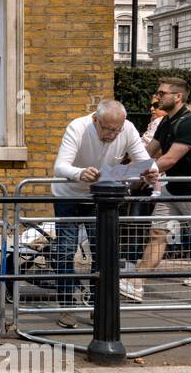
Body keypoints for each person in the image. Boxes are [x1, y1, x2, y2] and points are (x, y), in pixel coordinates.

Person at [126, 77, 191, 308]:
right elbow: (149, 153)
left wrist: (130, 174)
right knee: (158, 232)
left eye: (162, 93)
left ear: (178, 96)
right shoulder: (165, 123)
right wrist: (127, 170)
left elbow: (169, 159)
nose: (158, 96)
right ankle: (136, 283)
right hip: (174, 188)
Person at [50, 100, 152, 326]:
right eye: (106, 128)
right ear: (95, 119)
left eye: (116, 129)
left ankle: (99, 307)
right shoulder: (77, 127)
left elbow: (145, 162)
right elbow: (60, 166)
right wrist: (80, 173)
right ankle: (66, 307)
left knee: (103, 251)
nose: (112, 134)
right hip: (68, 195)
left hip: (99, 197)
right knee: (66, 250)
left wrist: (150, 173)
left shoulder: (127, 128)